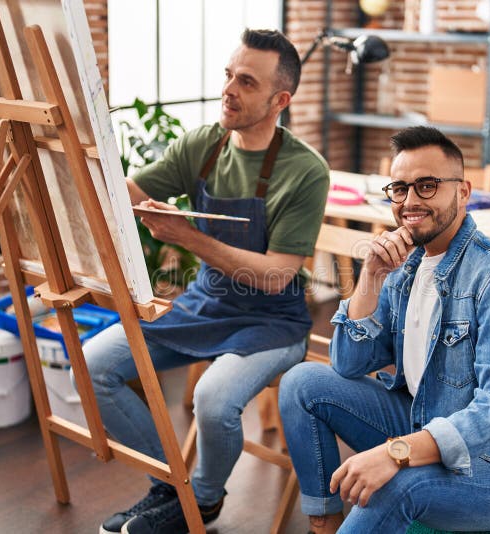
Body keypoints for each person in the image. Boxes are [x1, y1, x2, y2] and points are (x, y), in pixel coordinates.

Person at [80, 29, 329, 534]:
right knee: (93, 365)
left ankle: (206, 501)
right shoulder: (204, 145)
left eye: (246, 82)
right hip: (206, 303)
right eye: (228, 75)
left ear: (280, 100)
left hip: (272, 321)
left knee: (213, 401)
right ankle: (172, 489)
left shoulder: (305, 171)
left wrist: (187, 237)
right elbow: (132, 194)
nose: (228, 90)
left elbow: (276, 275)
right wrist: (87, 157)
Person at [279, 126, 490, 533]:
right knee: (301, 383)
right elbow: (347, 363)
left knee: (396, 483)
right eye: (400, 188)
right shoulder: (403, 269)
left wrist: (395, 453)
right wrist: (370, 276)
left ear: (463, 192)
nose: (410, 201)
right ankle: (324, 523)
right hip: (424, 424)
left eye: (427, 186)